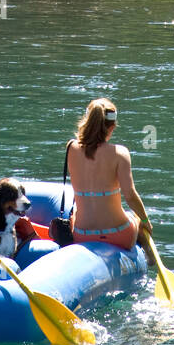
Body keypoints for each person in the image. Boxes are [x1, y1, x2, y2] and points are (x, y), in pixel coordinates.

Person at [67, 98, 155, 259]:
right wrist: (145, 220)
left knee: (75, 214)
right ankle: (147, 251)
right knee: (136, 217)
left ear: (87, 122)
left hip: (82, 235)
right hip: (119, 234)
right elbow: (130, 195)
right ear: (112, 127)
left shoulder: (71, 148)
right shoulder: (120, 153)